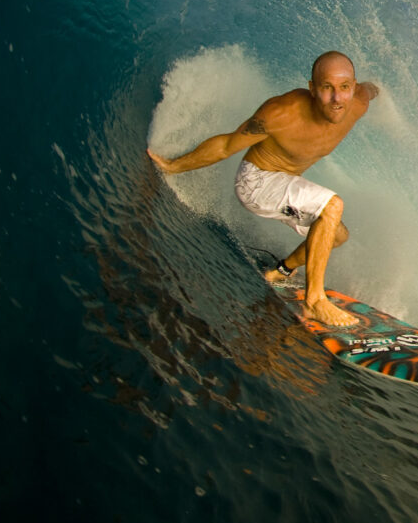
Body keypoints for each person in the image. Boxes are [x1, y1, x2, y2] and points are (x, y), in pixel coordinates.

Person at [147, 51, 378, 327]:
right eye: (327, 87)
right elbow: (226, 146)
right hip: (256, 182)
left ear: (353, 86)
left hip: (285, 182)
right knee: (332, 206)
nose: (337, 98)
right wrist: (173, 166)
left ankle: (281, 271)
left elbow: (371, 90)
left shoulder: (358, 102)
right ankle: (314, 302)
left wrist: (383, 97)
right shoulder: (281, 113)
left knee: (336, 235)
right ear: (312, 88)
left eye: (345, 87)